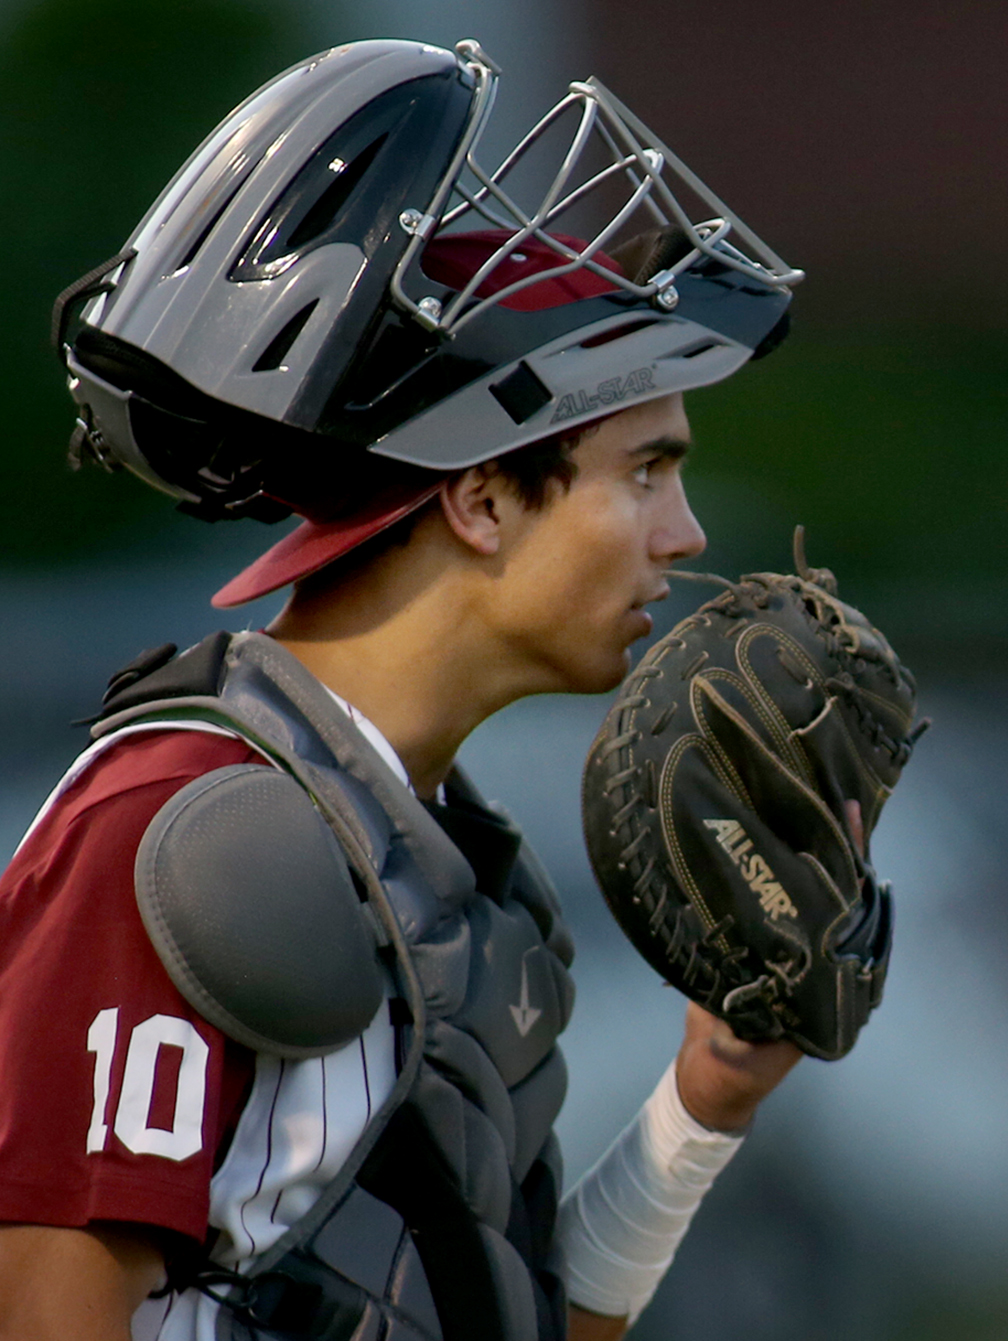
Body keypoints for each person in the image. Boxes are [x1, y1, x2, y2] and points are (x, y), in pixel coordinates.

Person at [1, 38, 812, 1341]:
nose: (686, 533)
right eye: (647, 471)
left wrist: (704, 1099)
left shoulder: (446, 857)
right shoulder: (172, 833)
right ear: (482, 498)